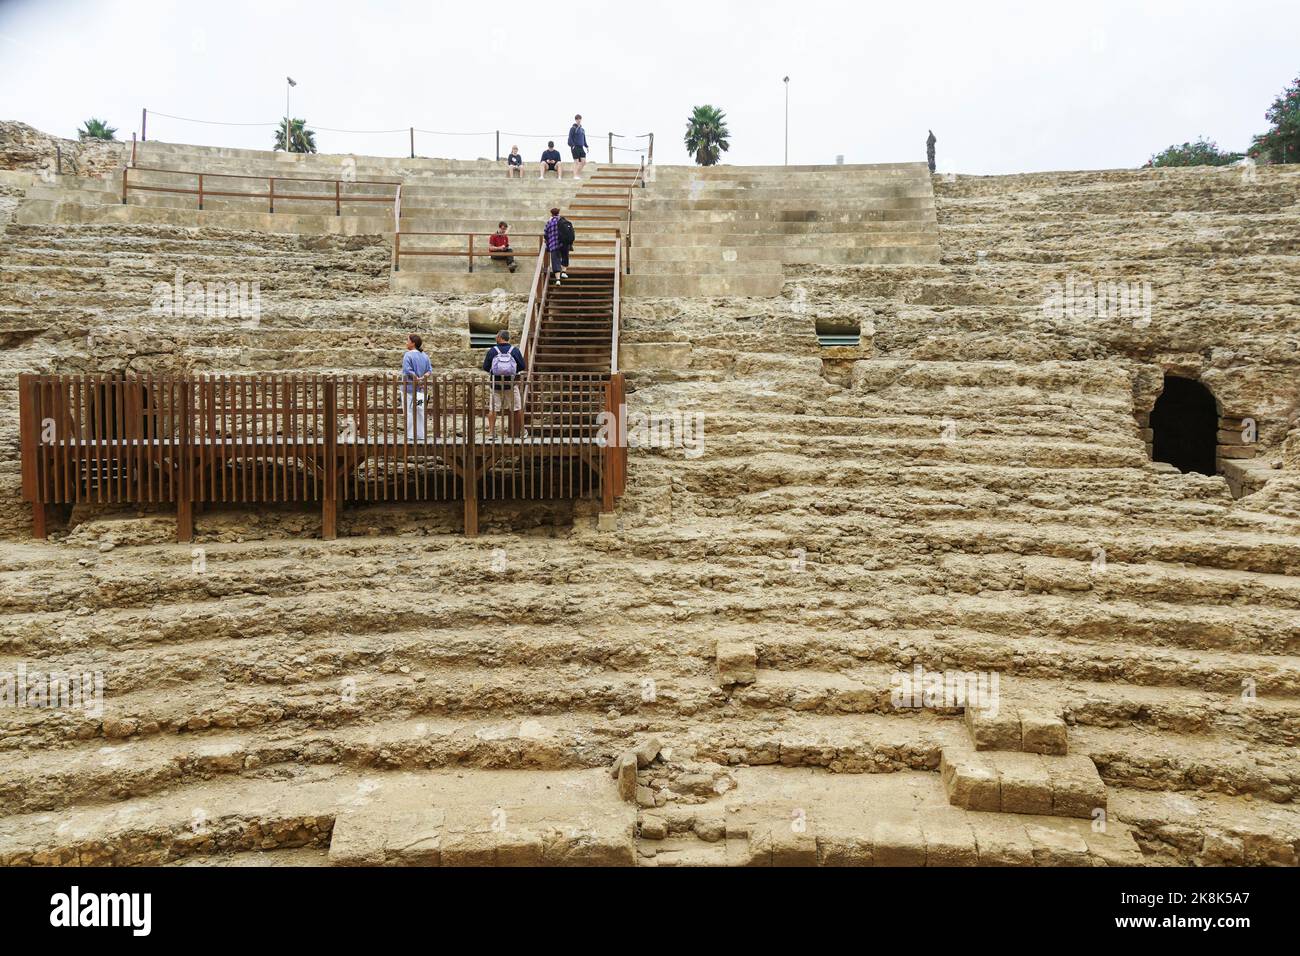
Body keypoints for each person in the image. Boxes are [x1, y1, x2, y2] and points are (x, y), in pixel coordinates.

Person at [482, 329, 527, 437]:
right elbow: (522, 366)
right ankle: (522, 431)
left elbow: (485, 367)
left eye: (497, 336)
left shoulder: (493, 351)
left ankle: (492, 433)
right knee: (517, 408)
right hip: (510, 384)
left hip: (496, 384)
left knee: (493, 409)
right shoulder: (514, 350)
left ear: (500, 338)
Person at [401, 333, 433, 440]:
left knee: (409, 410)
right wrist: (422, 378)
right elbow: (429, 371)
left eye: (408, 340)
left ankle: (410, 434)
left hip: (409, 388)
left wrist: (415, 378)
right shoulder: (425, 356)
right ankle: (421, 434)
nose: (406, 342)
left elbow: (407, 370)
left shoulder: (408, 355)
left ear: (413, 343)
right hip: (421, 389)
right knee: (420, 410)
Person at [544, 207, 568, 283]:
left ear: (551, 213)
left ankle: (558, 280)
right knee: (564, 257)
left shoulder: (549, 222)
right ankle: (564, 272)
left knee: (555, 260)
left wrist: (548, 244)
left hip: (553, 244)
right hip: (564, 243)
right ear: (558, 213)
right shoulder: (563, 220)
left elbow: (545, 234)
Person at [567, 114, 588, 179]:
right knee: (576, 162)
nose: (579, 120)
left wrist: (586, 146)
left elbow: (584, 138)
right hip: (575, 147)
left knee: (583, 162)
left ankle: (577, 174)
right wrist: (572, 145)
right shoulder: (573, 128)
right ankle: (575, 176)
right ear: (575, 120)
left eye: (580, 119)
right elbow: (570, 138)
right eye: (577, 119)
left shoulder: (582, 130)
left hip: (581, 147)